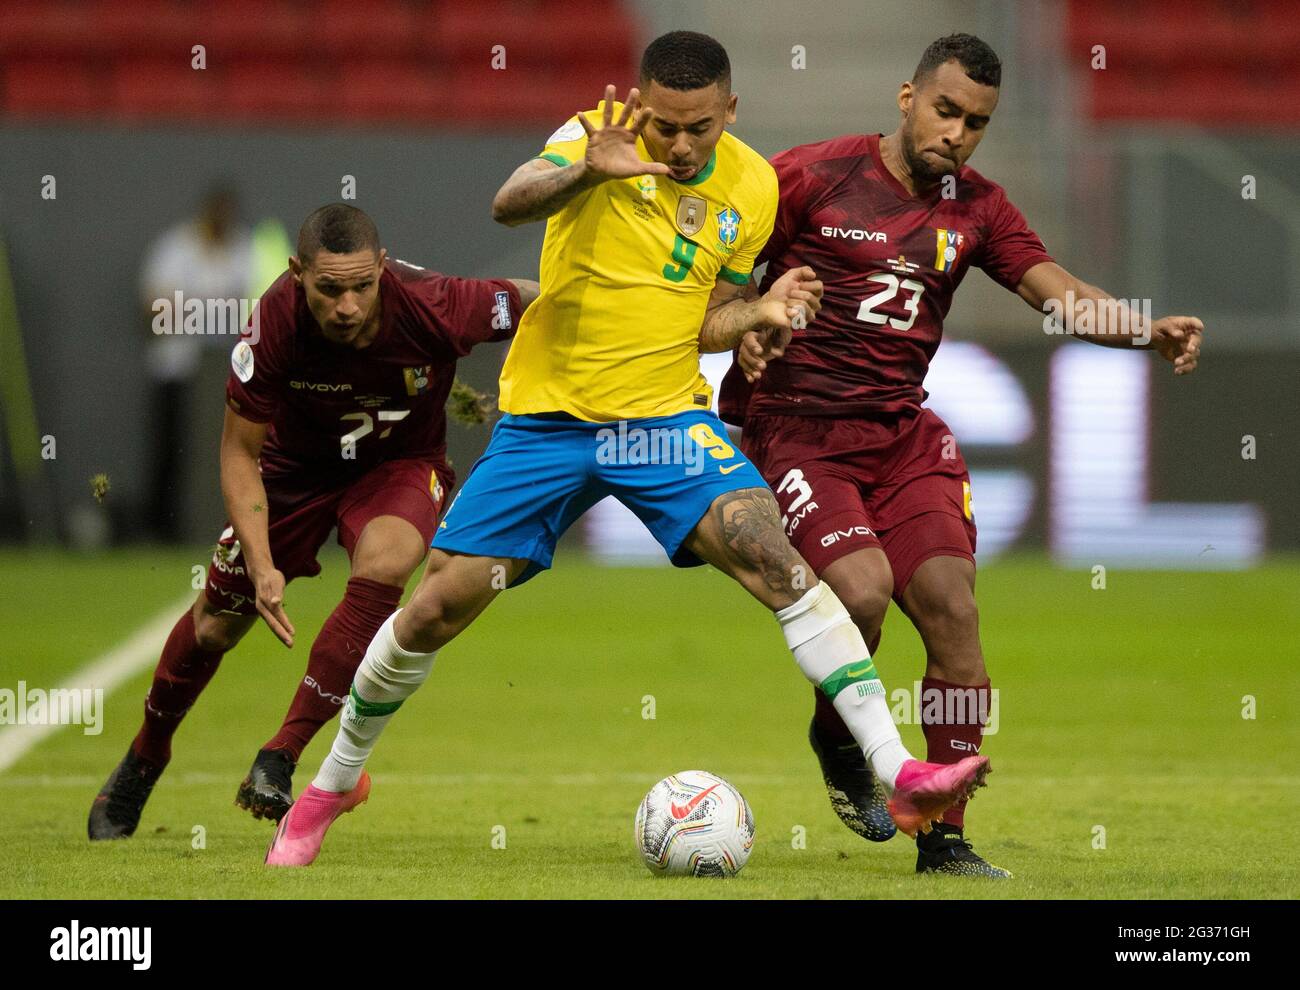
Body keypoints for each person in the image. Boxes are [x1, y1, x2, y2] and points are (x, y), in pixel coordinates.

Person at [267, 32, 990, 868]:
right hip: (551, 421)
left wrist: (751, 316)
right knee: (434, 608)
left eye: (700, 129)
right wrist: (586, 169)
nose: (680, 147)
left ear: (730, 113)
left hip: (663, 424)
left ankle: (897, 767)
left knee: (780, 560)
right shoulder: (594, 135)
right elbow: (509, 202)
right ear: (639, 104)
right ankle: (334, 782)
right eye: (665, 127)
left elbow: (708, 310)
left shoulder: (753, 186)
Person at [720, 33, 1204, 877]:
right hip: (798, 431)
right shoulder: (807, 176)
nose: (957, 132)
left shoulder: (978, 207)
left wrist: (1142, 330)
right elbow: (720, 274)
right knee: (861, 596)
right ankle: (841, 743)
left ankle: (943, 836)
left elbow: (1059, 294)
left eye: (977, 121)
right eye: (946, 110)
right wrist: (749, 321)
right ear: (908, 98)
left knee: (954, 610)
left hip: (903, 439)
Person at [88, 204, 539, 839]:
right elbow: (240, 451)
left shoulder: (435, 303)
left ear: (383, 270)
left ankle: (280, 755)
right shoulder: (274, 319)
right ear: (298, 274)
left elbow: (533, 299)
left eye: (361, 286)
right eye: (329, 289)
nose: (348, 305)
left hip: (398, 467)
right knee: (215, 627)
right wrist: (263, 563)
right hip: (291, 473)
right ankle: (146, 753)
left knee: (387, 561)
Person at [139, 183, 254, 541]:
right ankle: (163, 531)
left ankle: (228, 526)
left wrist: (199, 312)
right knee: (172, 452)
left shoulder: (245, 249)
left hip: (229, 373)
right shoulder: (175, 248)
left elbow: (256, 309)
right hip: (177, 370)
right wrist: (217, 315)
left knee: (231, 451)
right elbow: (154, 309)